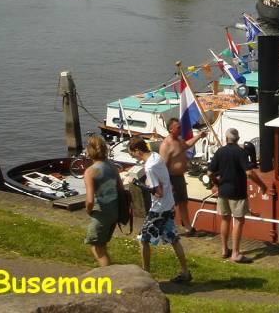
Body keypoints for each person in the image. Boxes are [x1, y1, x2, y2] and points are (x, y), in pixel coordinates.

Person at [128, 136, 191, 283]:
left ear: (137, 150)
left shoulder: (149, 167)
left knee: (143, 240)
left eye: (132, 153)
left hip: (159, 209)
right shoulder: (156, 156)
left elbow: (158, 192)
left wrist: (138, 183)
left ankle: (146, 275)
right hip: (169, 204)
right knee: (174, 239)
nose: (132, 156)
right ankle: (185, 272)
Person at [207, 128, 267, 263]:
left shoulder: (220, 151)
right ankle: (235, 253)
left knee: (224, 219)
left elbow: (210, 173)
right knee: (238, 221)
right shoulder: (241, 152)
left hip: (223, 192)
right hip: (237, 193)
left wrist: (217, 183)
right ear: (238, 139)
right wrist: (262, 186)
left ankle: (224, 250)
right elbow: (249, 173)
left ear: (226, 139)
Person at [159, 117, 207, 236]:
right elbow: (163, 166)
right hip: (171, 178)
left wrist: (199, 136)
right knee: (170, 205)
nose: (180, 129)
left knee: (183, 202)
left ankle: (188, 228)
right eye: (178, 127)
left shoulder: (179, 139)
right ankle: (165, 229)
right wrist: (166, 183)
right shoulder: (166, 145)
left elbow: (186, 145)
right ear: (171, 129)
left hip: (179, 177)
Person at [83, 135, 121, 266]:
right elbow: (120, 187)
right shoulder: (111, 165)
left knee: (97, 248)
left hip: (101, 214)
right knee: (102, 245)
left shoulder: (90, 172)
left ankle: (108, 278)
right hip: (114, 211)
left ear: (90, 151)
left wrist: (88, 211)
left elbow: (89, 200)